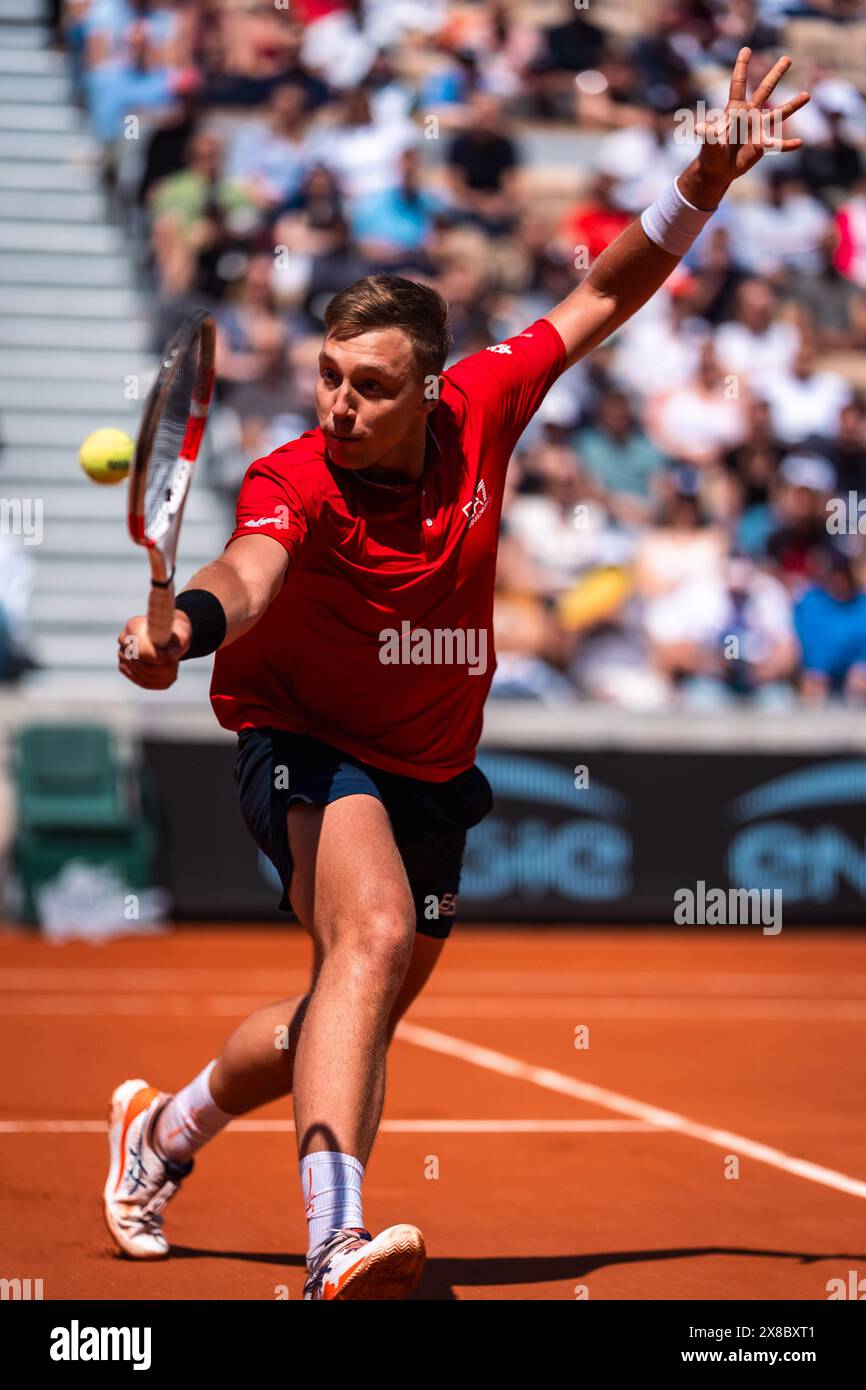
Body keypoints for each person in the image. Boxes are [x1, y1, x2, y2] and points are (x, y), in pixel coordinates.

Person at [107, 50, 810, 1301]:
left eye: (368, 387)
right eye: (326, 375)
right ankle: (334, 1243)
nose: (334, 404)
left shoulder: (485, 403)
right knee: (369, 932)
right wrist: (188, 627)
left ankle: (164, 1133)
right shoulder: (295, 478)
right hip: (305, 735)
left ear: (430, 389)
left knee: (348, 1003)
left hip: (433, 762)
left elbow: (603, 295)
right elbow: (249, 570)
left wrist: (699, 181)